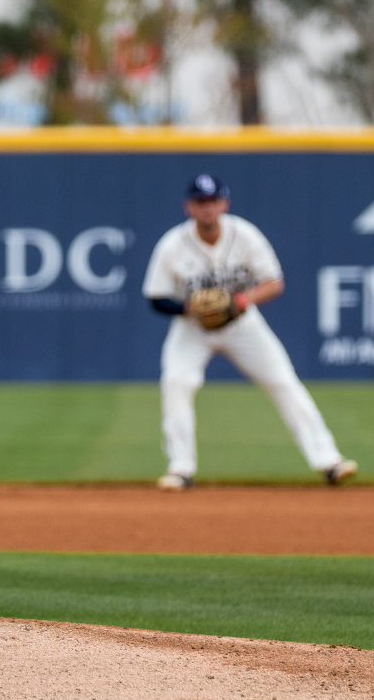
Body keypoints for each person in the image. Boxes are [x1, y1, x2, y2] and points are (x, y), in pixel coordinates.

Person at [142, 174, 357, 491]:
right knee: (176, 382)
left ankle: (329, 461)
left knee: (283, 380)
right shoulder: (172, 245)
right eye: (200, 202)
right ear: (189, 207)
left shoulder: (245, 235)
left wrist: (239, 301)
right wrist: (191, 309)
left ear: (224, 203)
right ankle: (180, 469)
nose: (208, 208)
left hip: (243, 325)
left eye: (213, 201)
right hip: (193, 329)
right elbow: (156, 297)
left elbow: (274, 282)